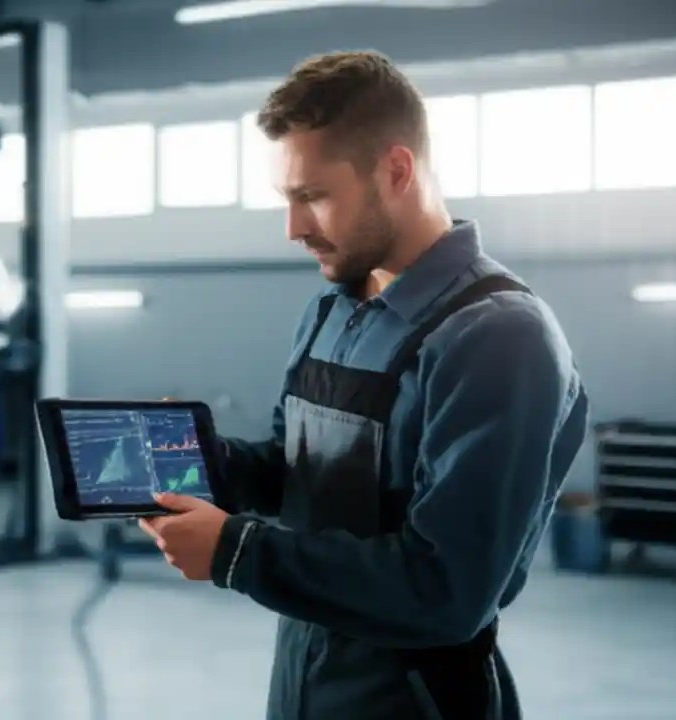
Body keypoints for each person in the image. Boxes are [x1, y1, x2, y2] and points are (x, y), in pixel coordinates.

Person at [137, 50, 589, 720]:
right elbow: (299, 472)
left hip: (413, 701)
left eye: (312, 196)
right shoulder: (334, 309)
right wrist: (208, 461)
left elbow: (447, 590)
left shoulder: (498, 337)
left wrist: (236, 552)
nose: (293, 229)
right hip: (306, 680)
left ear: (397, 171)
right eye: (286, 200)